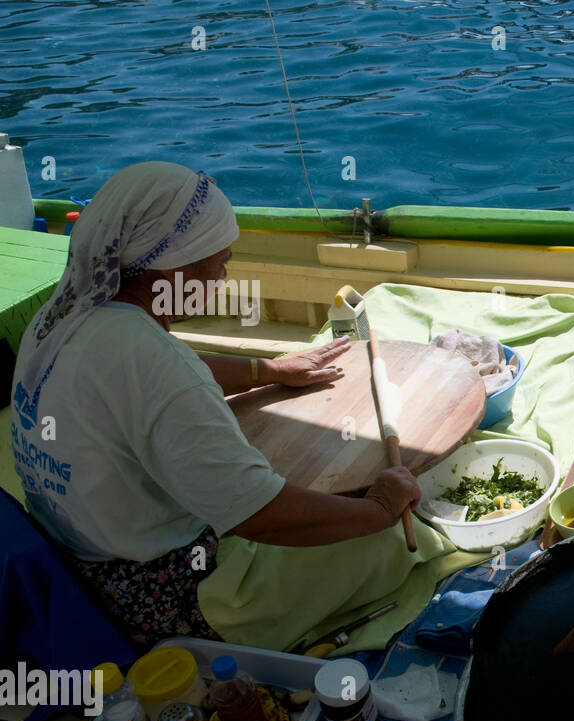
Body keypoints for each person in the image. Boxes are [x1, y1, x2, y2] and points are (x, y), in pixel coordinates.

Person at [10, 161, 424, 647]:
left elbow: (149, 377)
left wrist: (265, 371)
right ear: (170, 269)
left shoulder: (64, 310)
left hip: (64, 558)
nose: (224, 278)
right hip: (152, 594)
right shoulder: (157, 368)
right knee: (390, 545)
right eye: (218, 263)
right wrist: (378, 508)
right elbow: (260, 513)